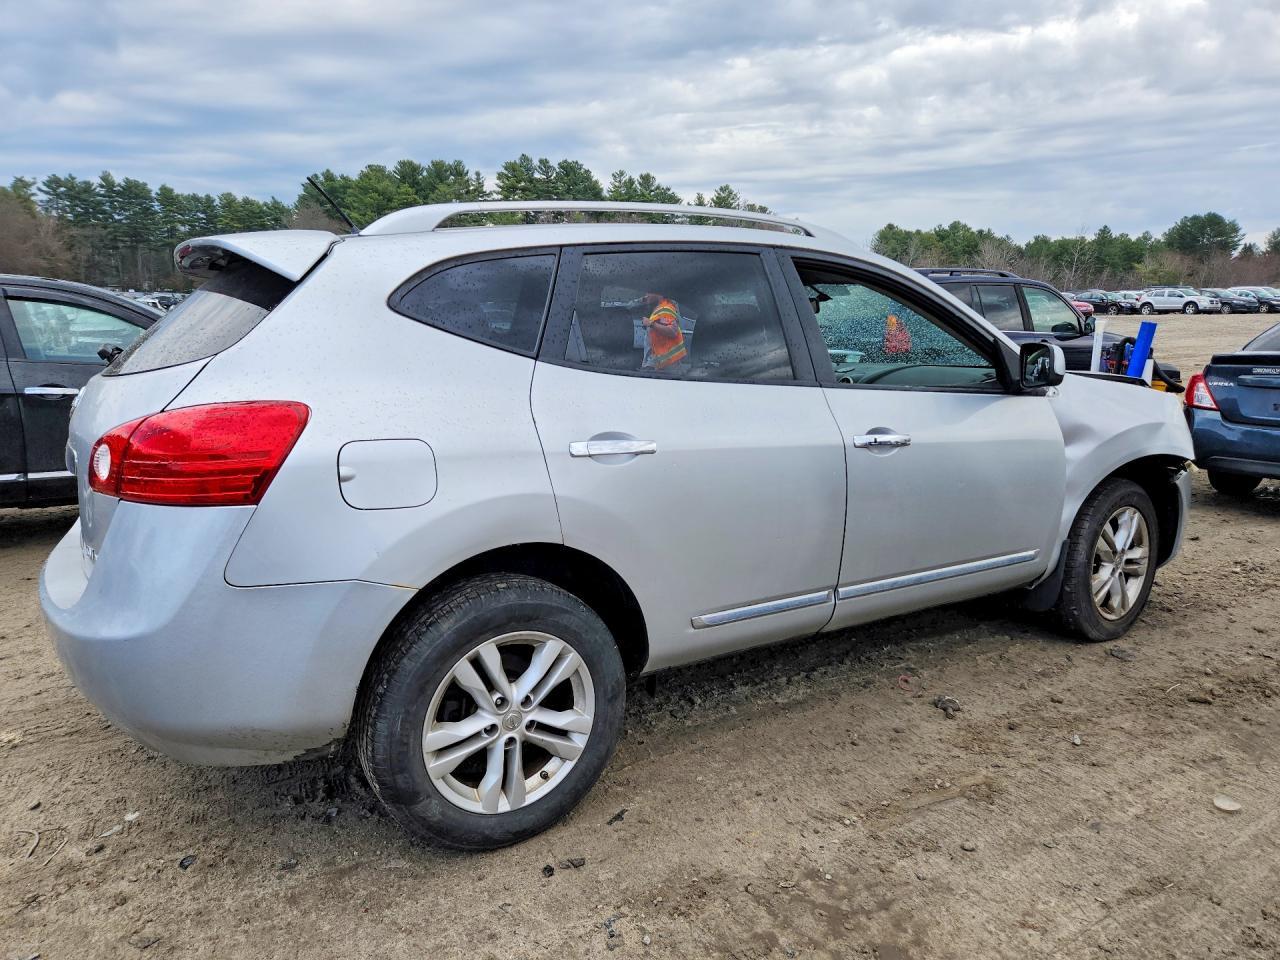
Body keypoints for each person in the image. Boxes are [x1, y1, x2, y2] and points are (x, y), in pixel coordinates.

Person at [638, 293, 687, 370]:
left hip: (668, 368)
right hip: (659, 365)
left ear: (659, 294)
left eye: (649, 293)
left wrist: (651, 324)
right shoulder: (658, 309)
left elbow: (673, 331)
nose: (646, 296)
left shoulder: (665, 309)